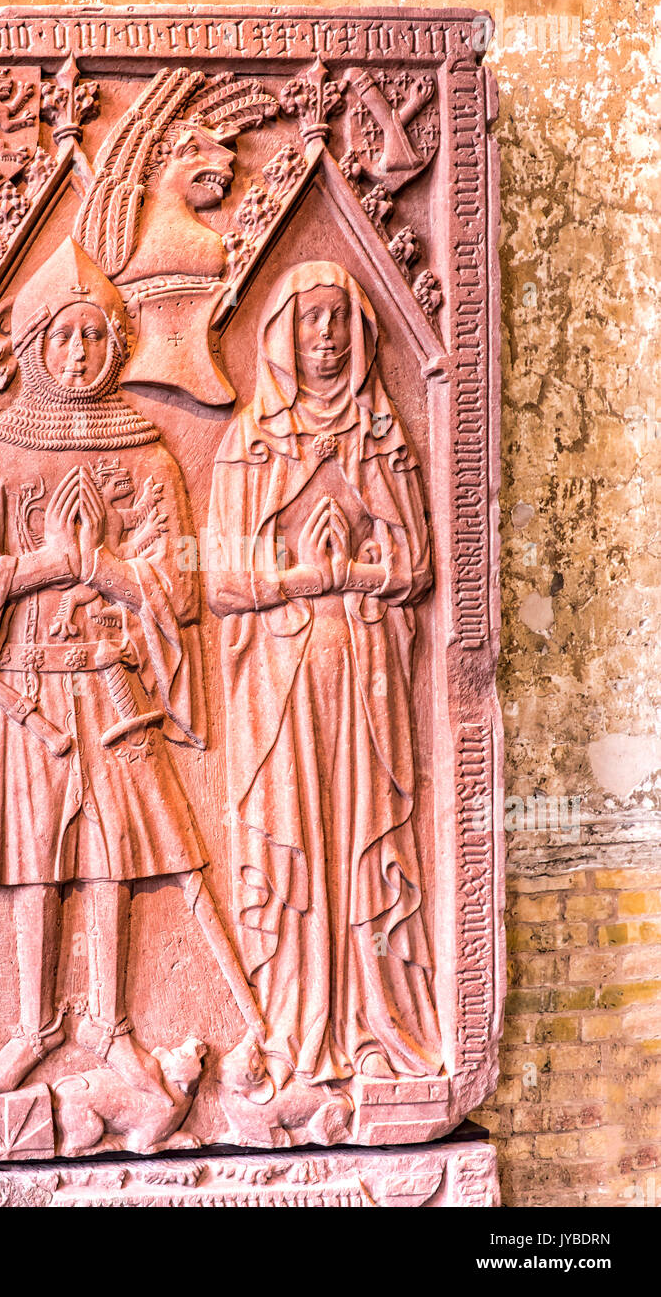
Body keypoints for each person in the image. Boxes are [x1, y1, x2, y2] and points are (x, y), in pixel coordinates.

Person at [0, 236, 207, 1100]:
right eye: (63, 337)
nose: (80, 353)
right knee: (33, 864)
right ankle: (31, 1025)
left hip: (110, 685)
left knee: (110, 857)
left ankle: (110, 1024)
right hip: (27, 692)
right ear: (33, 344)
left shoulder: (146, 453)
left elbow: (181, 584)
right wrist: (52, 561)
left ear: (119, 344)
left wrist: (103, 570)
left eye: (96, 336)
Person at [207, 260, 442, 1088]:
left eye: (340, 319)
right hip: (281, 681)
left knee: (363, 840)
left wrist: (364, 572)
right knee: (298, 845)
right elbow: (223, 581)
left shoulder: (382, 435)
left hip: (369, 675)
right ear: (283, 334)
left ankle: (373, 1017)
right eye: (312, 320)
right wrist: (302, 579)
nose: (328, 338)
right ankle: (301, 1020)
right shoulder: (251, 440)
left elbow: (418, 563)